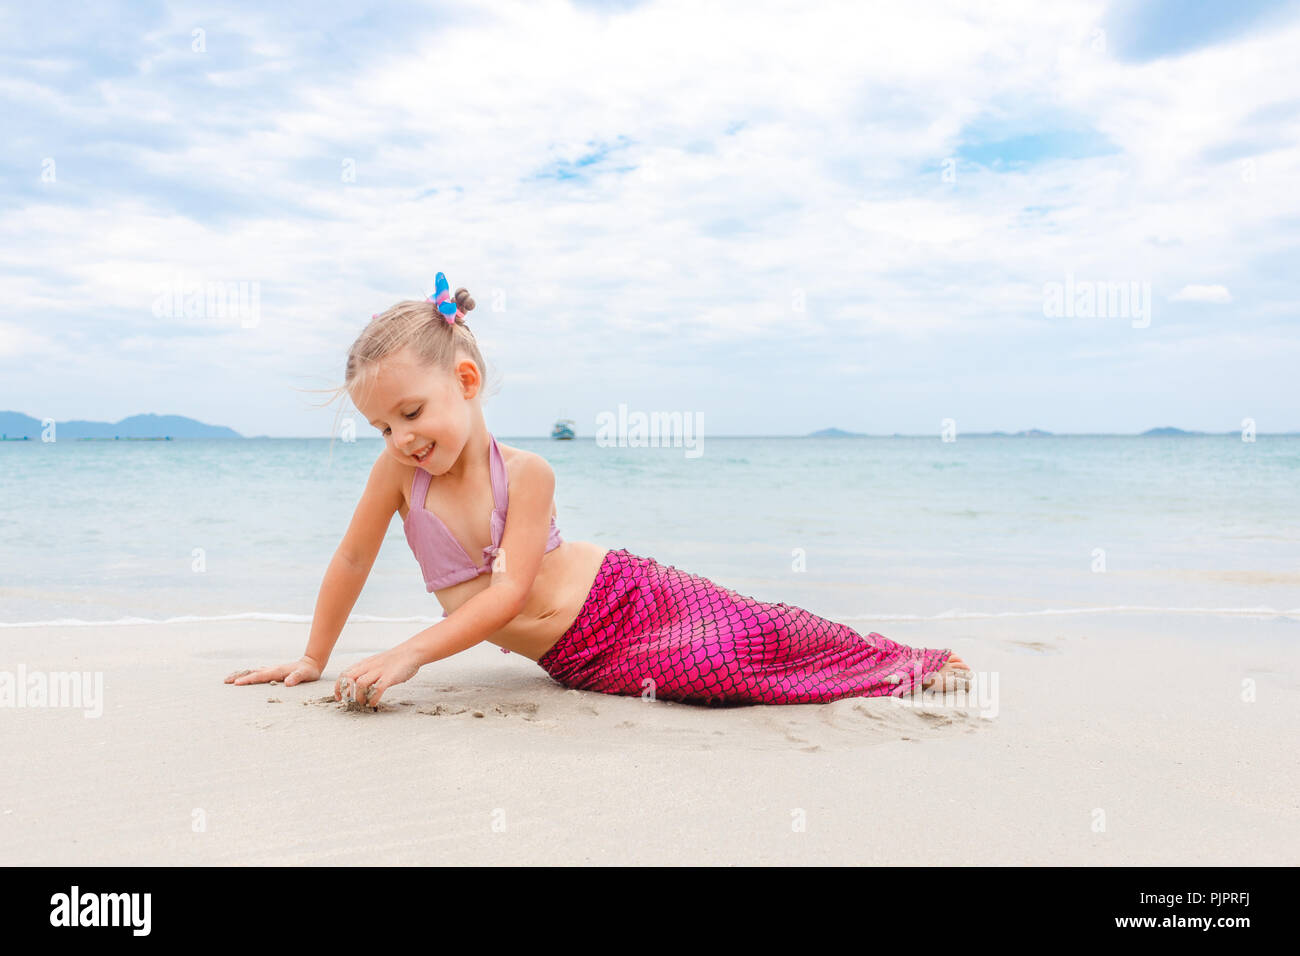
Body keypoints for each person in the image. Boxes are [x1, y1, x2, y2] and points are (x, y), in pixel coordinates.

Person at [225, 273, 972, 708]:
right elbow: (352, 559)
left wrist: (410, 654)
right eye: (382, 427)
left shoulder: (526, 475)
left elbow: (507, 595)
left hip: (627, 597)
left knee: (760, 632)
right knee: (727, 678)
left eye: (411, 414)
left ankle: (908, 662)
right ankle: (884, 668)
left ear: (466, 381)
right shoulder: (397, 475)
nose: (401, 440)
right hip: (579, 660)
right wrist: (314, 656)